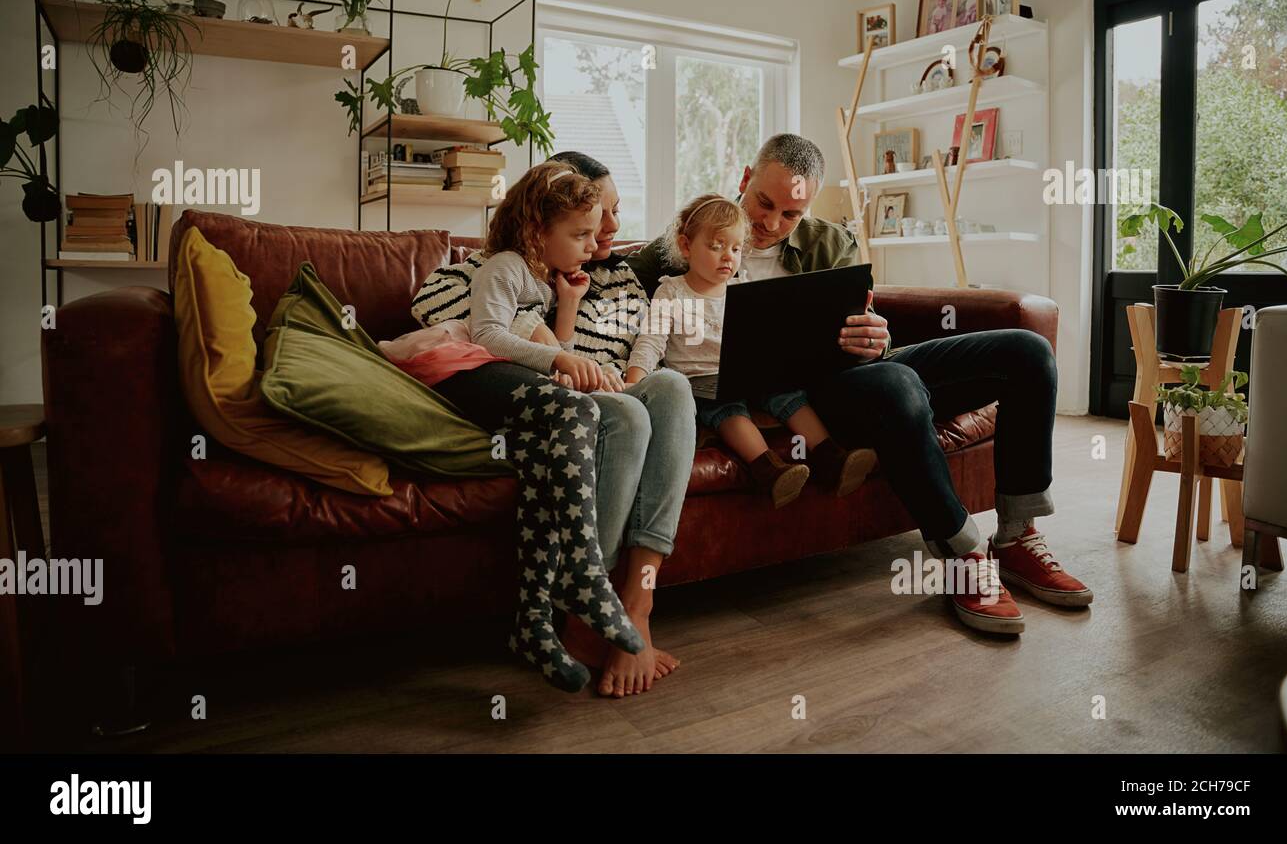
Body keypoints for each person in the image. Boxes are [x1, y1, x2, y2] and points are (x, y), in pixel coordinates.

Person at [629, 133, 1093, 636]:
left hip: (860, 371)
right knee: (898, 386)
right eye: (764, 203)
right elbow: (614, 295)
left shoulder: (832, 243)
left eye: (790, 215)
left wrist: (877, 334)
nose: (771, 223)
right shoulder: (696, 239)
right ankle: (963, 555)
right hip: (810, 399)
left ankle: (1018, 537)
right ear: (745, 179)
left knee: (1028, 353)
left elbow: (867, 323)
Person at [413, 152, 694, 698]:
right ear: (548, 225)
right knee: (627, 416)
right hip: (557, 387)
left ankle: (638, 604)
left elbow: (651, 339)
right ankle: (588, 611)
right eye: (595, 219)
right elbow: (459, 317)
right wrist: (544, 334)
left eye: (613, 214)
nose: (609, 230)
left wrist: (624, 370)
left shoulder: (619, 278)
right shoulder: (498, 265)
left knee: (672, 389)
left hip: (609, 381)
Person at [630, 194, 875, 508]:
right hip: (701, 382)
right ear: (686, 246)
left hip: (747, 370)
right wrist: (635, 381)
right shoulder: (672, 291)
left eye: (735, 248)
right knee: (727, 406)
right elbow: (650, 342)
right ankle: (768, 469)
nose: (728, 257)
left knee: (787, 390)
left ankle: (831, 456)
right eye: (716, 246)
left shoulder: (740, 287)